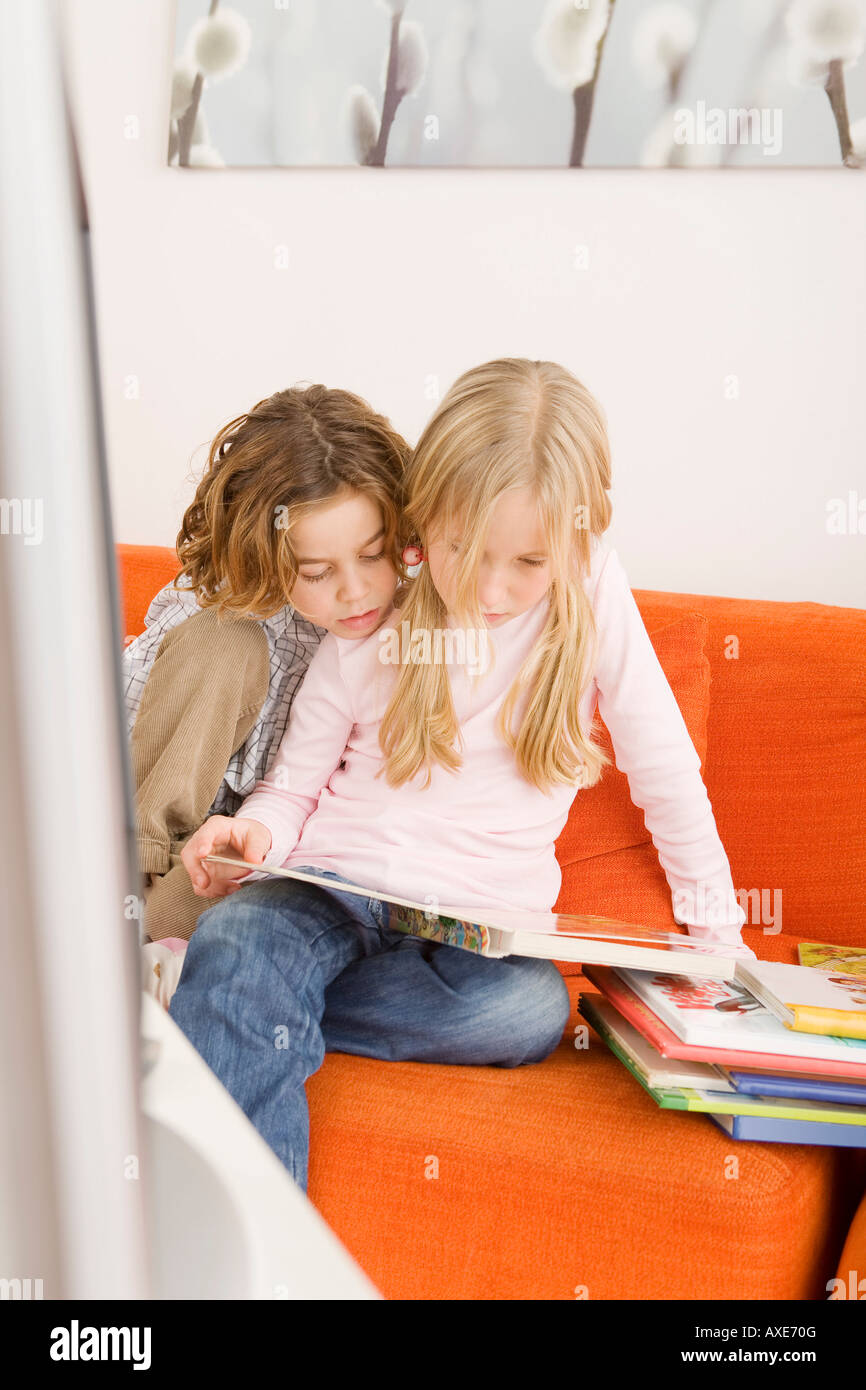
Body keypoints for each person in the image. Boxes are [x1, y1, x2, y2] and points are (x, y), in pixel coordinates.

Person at [170, 357, 752, 1192]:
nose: (491, 588)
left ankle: (232, 1004)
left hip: (472, 929)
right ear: (425, 516)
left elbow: (665, 770)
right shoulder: (380, 598)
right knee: (243, 934)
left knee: (529, 1012)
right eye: (462, 550)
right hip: (330, 884)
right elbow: (295, 784)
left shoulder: (588, 599)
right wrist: (251, 834)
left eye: (529, 562)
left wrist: (717, 941)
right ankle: (259, 1237)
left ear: (581, 543)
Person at [122, 383, 411, 942]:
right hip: (136, 835)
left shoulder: (409, 632)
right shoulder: (220, 614)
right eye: (317, 572)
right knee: (226, 639)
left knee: (225, 910)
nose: (356, 592)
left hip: (246, 859)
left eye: (374, 554)